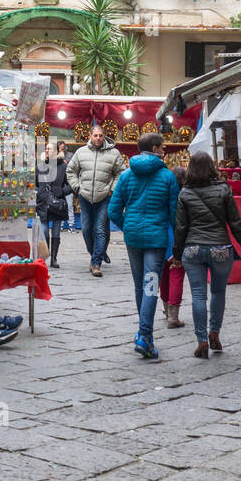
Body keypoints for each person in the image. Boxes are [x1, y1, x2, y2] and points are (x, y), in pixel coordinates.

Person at [173, 151, 241, 358]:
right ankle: (214, 332)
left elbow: (181, 227)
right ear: (211, 167)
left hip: (193, 249)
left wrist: (176, 253)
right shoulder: (223, 189)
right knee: (218, 292)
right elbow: (235, 224)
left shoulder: (184, 193)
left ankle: (201, 340)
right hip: (220, 248)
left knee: (198, 295)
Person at [108, 132, 180, 360]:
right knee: (151, 286)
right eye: (162, 147)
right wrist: (177, 241)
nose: (165, 150)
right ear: (155, 148)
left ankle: (143, 332)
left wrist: (127, 227)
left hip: (134, 239)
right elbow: (175, 215)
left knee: (140, 286)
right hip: (156, 240)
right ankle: (145, 335)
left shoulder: (126, 176)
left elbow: (113, 211)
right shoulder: (168, 177)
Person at [66, 122, 126, 277]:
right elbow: (71, 170)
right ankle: (97, 252)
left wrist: (112, 190)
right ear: (90, 136)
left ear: (104, 136)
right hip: (85, 196)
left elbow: (121, 173)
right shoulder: (81, 152)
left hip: (104, 196)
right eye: (95, 135)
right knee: (86, 229)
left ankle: (96, 263)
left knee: (99, 229)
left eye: (100, 135)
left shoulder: (114, 153)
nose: (98, 138)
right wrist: (77, 187)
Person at [35, 140, 74, 268]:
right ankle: (45, 258)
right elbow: (36, 184)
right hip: (43, 203)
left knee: (56, 232)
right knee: (45, 232)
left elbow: (71, 184)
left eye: (49, 149)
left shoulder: (63, 166)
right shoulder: (40, 165)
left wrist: (61, 191)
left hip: (57, 204)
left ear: (57, 152)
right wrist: (39, 194)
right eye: (45, 148)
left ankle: (54, 259)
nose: (46, 150)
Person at [163, 166, 187, 328]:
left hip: (160, 238)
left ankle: (166, 308)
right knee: (176, 274)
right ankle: (173, 315)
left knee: (163, 276)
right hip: (178, 241)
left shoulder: (161, 195)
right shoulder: (186, 196)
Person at [56, 142, 74, 231]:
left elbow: (73, 167)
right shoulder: (54, 157)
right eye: (60, 149)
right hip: (58, 185)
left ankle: (71, 225)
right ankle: (60, 226)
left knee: (70, 205)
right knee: (59, 206)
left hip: (68, 183)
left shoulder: (70, 155)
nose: (62, 150)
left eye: (63, 148)